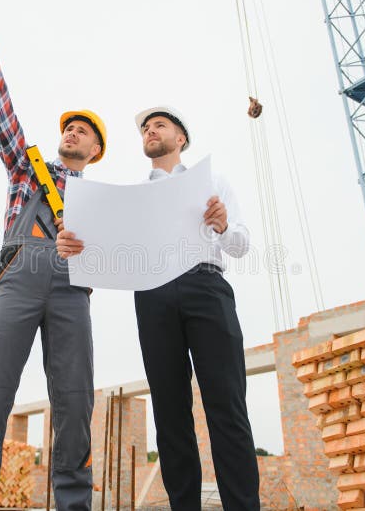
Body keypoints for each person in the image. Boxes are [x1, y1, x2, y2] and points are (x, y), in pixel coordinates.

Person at [57, 106, 260, 510]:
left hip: (206, 286)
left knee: (227, 404)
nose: (150, 131)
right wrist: (73, 247)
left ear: (180, 138)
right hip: (152, 294)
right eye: (146, 128)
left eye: (159, 125)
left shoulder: (212, 182)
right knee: (169, 412)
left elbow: (240, 245)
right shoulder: (135, 196)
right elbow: (105, 248)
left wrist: (222, 225)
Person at [0, 0, 106, 511]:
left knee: (74, 406)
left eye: (83, 130)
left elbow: (121, 257)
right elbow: (2, 120)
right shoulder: (27, 166)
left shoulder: (104, 201)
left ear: (96, 150)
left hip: (72, 293)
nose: (73, 132)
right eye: (70, 126)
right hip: (17, 280)